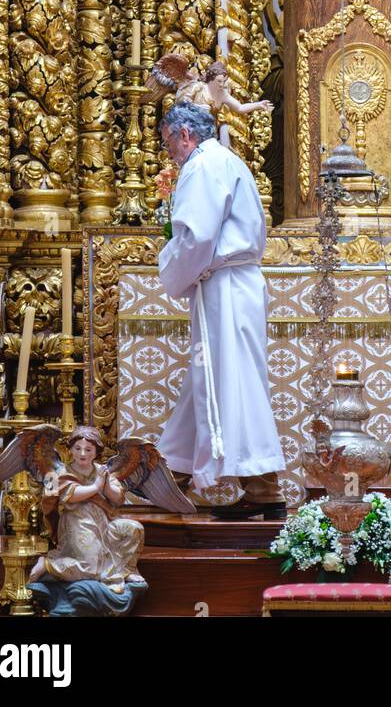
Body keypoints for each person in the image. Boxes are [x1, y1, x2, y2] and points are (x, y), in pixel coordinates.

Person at [156, 101, 285, 518]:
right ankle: (169, 474)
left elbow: (196, 236)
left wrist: (170, 270)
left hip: (225, 285)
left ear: (185, 135)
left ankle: (263, 483)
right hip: (233, 282)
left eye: (168, 142)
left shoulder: (202, 165)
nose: (170, 153)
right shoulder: (227, 160)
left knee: (233, 379)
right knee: (209, 377)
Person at [30, 426, 145, 591]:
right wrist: (97, 485)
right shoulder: (59, 473)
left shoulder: (102, 470)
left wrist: (106, 486)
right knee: (90, 567)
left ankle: (125, 571)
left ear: (96, 451)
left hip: (104, 522)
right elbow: (70, 495)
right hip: (77, 522)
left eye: (88, 449)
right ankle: (48, 564)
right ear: (70, 449)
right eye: (77, 448)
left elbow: (118, 499)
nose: (82, 453)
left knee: (134, 529)